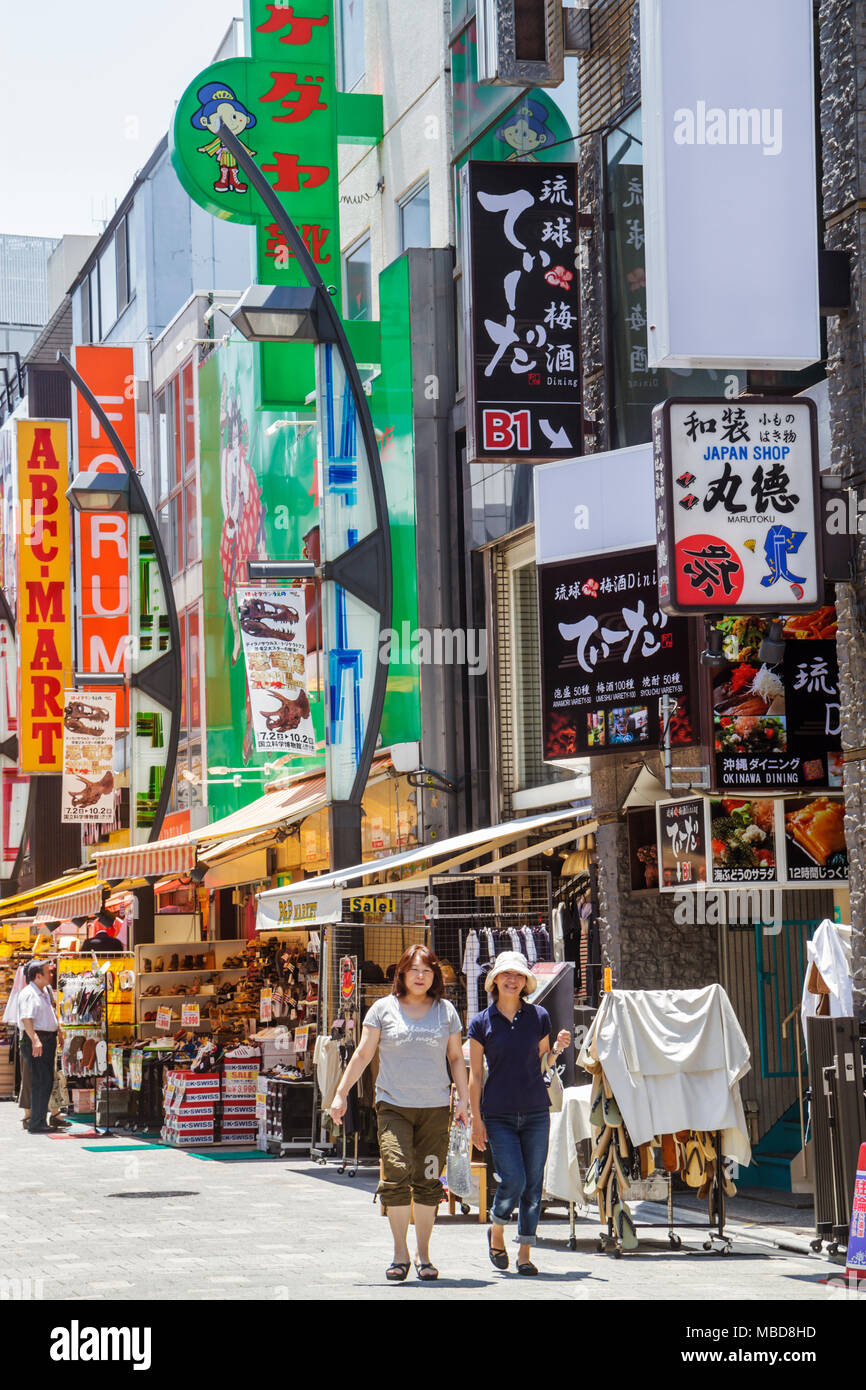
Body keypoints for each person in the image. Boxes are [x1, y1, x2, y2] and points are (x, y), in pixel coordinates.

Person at [329, 945, 469, 1283]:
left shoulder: (445, 1011)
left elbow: (454, 1058)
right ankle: (399, 1252)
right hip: (393, 1106)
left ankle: (423, 1253)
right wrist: (340, 1093)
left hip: (435, 1108)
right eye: (414, 970)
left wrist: (463, 1100)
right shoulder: (382, 1009)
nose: (420, 976)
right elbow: (363, 1053)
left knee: (429, 1180)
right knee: (396, 1173)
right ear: (402, 973)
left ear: (435, 976)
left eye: (427, 971)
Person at [468, 951, 571, 1275]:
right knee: (514, 1179)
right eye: (505, 975)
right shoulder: (481, 1022)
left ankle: (525, 1251)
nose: (512, 980)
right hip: (497, 1114)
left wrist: (556, 1049)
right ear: (495, 980)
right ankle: (497, 1228)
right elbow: (475, 1076)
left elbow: (543, 1065)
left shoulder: (539, 1016)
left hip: (536, 1111)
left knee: (533, 1184)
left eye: (518, 976)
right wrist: (476, 1121)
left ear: (526, 982)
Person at [18, 960, 62, 1134]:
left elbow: (48, 1014)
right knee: (40, 1081)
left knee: (45, 1081)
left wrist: (57, 1030)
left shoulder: (43, 992)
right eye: (48, 972)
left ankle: (38, 1120)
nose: (51, 975)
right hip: (37, 1039)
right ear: (38, 976)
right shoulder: (29, 993)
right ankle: (36, 1122)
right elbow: (26, 1019)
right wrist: (36, 1040)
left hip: (46, 1038)